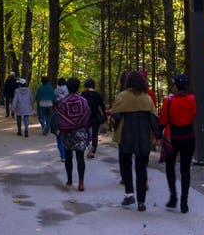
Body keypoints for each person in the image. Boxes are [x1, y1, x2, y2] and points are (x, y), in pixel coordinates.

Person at [111, 70, 161, 211]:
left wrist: (115, 128)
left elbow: (116, 117)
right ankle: (141, 201)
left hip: (126, 136)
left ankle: (129, 193)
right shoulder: (146, 98)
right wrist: (158, 136)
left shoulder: (122, 96)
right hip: (143, 137)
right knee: (141, 168)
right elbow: (153, 119)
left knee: (125, 165)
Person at [159, 72, 197, 213]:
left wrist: (158, 133)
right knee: (185, 170)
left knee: (170, 167)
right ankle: (184, 202)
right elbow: (193, 114)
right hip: (188, 137)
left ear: (176, 85)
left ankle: (173, 195)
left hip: (172, 139)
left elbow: (162, 121)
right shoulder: (192, 99)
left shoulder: (168, 101)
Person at [55, 77, 91, 191]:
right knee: (80, 158)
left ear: (68, 87)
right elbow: (87, 114)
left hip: (68, 133)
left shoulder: (63, 102)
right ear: (78, 87)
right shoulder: (83, 101)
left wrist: (67, 125)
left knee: (69, 156)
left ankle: (70, 180)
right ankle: (81, 183)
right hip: (80, 132)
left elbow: (60, 118)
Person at [81, 78, 107, 158]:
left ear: (86, 85)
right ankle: (93, 152)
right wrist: (105, 115)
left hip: (86, 117)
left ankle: (87, 147)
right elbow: (102, 107)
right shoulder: (98, 94)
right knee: (95, 135)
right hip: (96, 116)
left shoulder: (83, 94)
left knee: (85, 133)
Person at [53, 77, 69, 161]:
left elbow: (54, 97)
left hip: (58, 116)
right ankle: (66, 154)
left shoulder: (56, 89)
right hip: (67, 117)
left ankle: (63, 156)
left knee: (59, 138)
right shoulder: (68, 90)